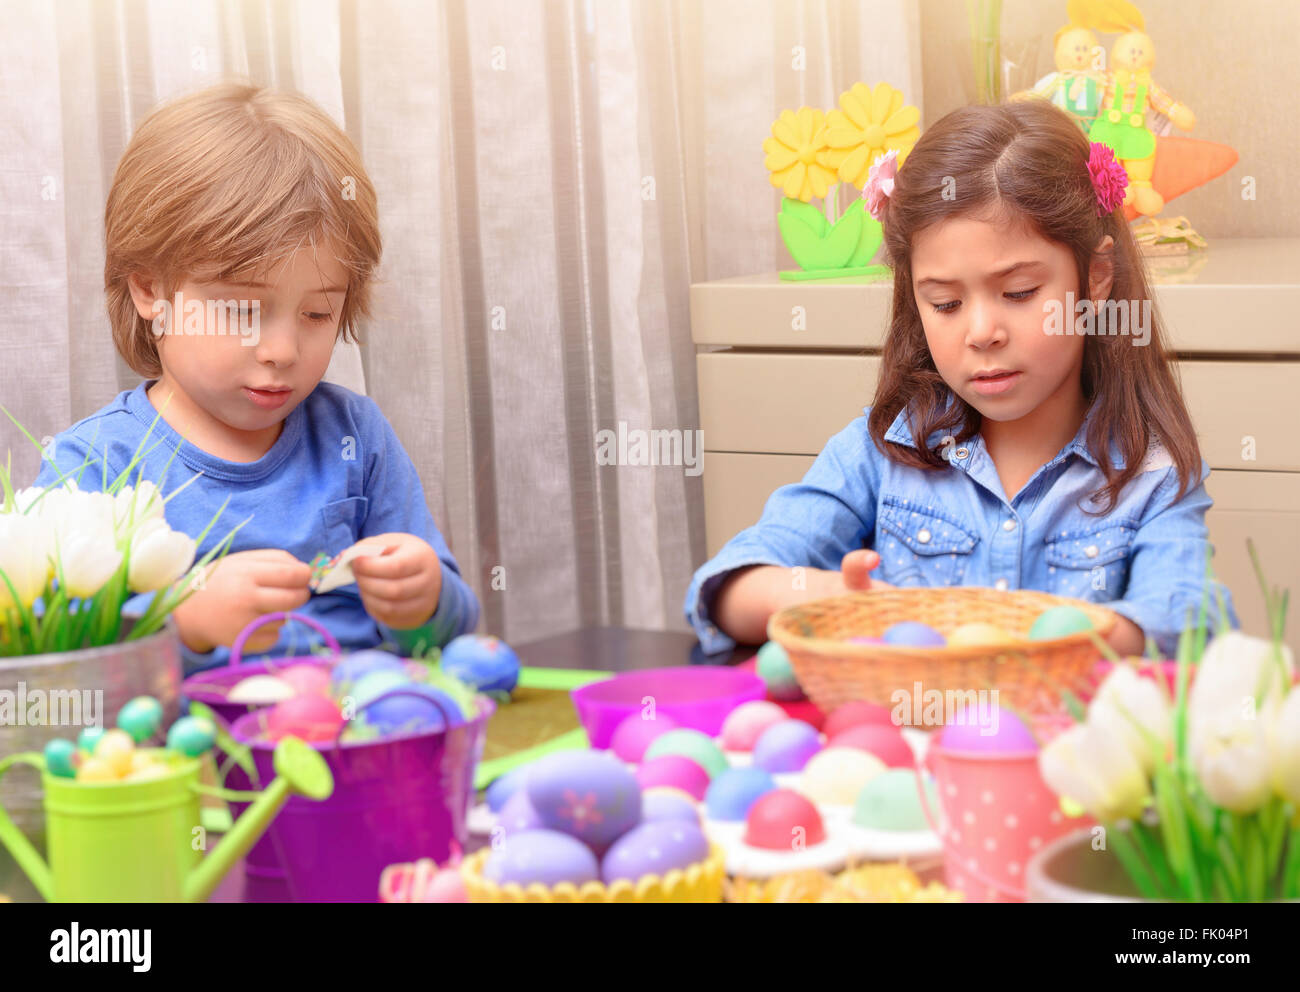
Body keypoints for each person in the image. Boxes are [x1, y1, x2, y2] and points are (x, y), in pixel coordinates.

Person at [684, 99, 1236, 658]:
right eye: (945, 303)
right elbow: (725, 588)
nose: (981, 332)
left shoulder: (1152, 474)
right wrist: (835, 597)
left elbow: (1187, 624)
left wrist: (1070, 640)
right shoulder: (877, 456)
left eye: (1019, 293)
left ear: (1094, 278)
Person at [32, 82, 478, 672]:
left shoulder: (353, 434)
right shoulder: (95, 463)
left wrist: (423, 598)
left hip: (361, 728)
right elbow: (53, 663)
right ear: (150, 291)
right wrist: (183, 617)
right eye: (242, 311)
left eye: (319, 313)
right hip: (196, 752)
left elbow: (450, 628)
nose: (283, 349)